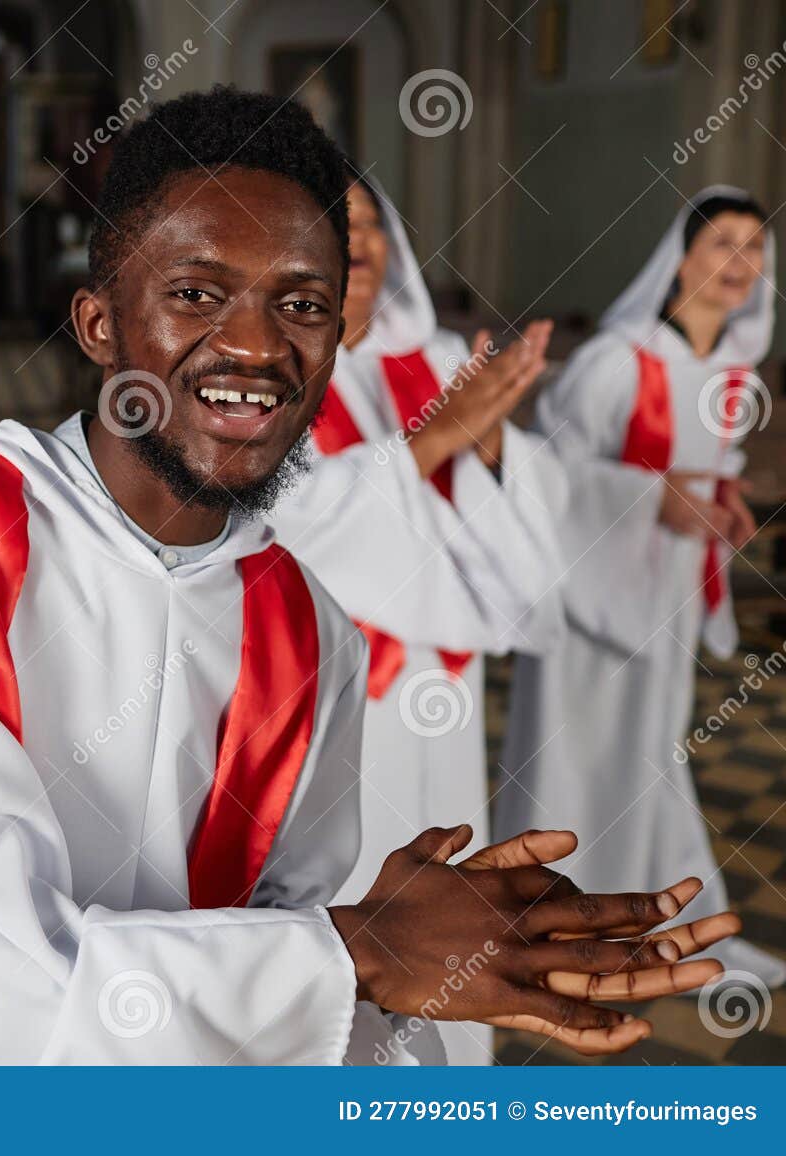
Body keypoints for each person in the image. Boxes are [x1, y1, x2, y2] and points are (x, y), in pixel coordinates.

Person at [0, 89, 736, 1066]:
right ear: (98, 324)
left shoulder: (307, 624)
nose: (253, 344)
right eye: (196, 293)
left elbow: (291, 965)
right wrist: (358, 948)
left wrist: (417, 978)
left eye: (301, 303)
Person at [265, 172, 567, 1064]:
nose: (358, 243)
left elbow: (502, 487)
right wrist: (434, 440)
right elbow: (294, 514)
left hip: (441, 676)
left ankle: (453, 1069)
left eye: (372, 226)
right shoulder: (271, 358)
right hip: (342, 680)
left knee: (451, 857)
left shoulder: (430, 360)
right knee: (360, 881)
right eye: (336, 225)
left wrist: (492, 439)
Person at [496, 186, 786, 989]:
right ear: (681, 257)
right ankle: (547, 923)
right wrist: (650, 497)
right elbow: (545, 474)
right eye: (722, 243)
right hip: (592, 598)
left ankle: (631, 917)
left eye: (754, 247)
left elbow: (708, 476)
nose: (740, 263)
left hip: (667, 598)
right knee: (572, 753)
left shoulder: (732, 370)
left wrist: (721, 512)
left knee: (648, 753)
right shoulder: (617, 360)